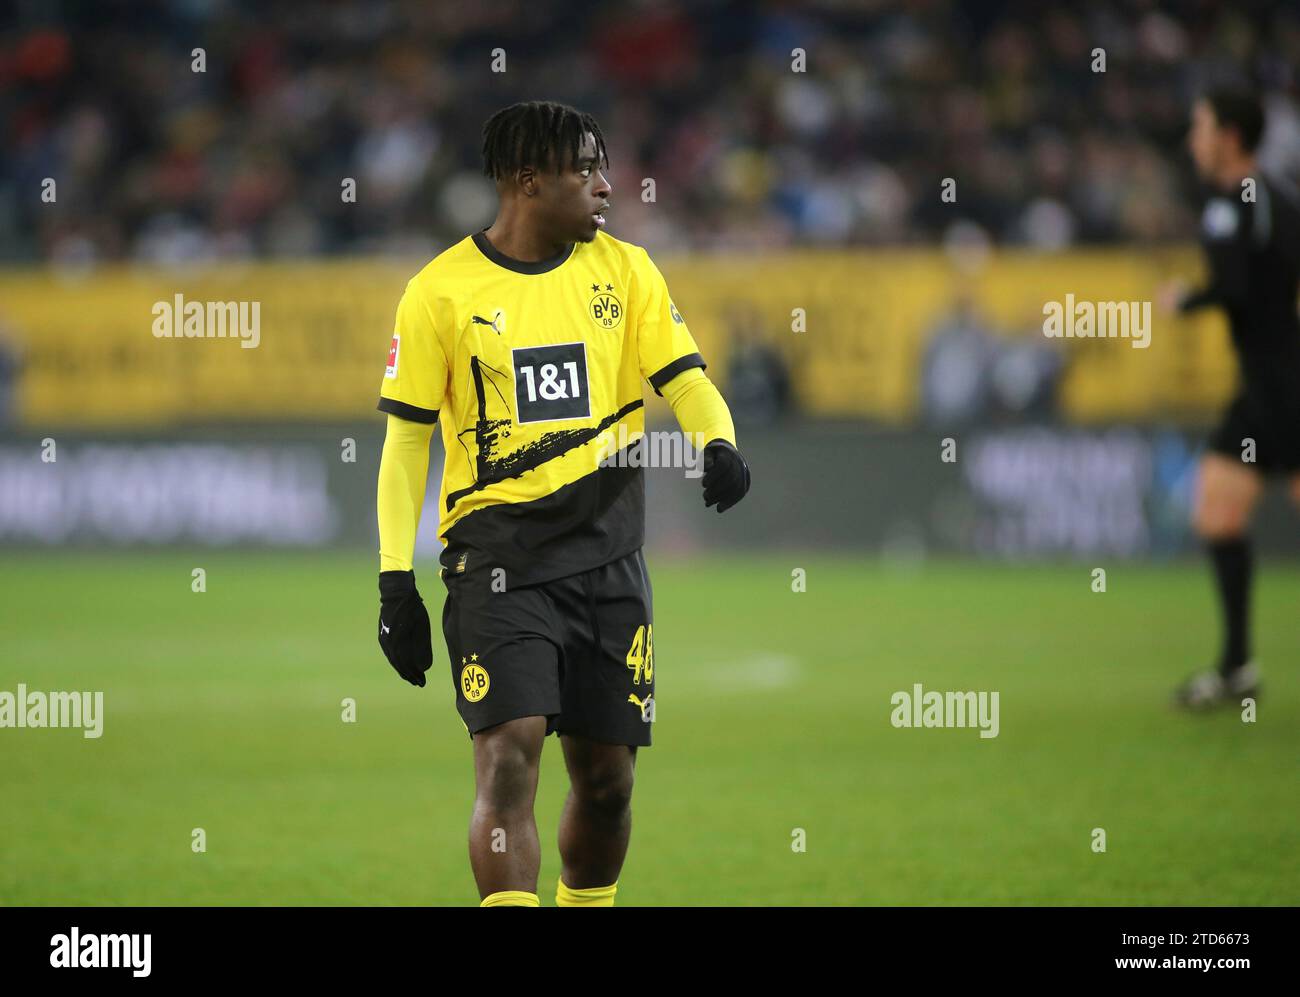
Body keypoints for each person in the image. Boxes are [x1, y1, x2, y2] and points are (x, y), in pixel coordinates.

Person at [373, 101, 751, 905]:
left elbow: (684, 378)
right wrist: (394, 580)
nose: (607, 186)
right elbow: (407, 442)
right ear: (527, 179)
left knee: (608, 779)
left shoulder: (627, 271)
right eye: (586, 170)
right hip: (497, 560)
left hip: (610, 557)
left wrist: (717, 439)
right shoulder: (438, 292)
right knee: (509, 751)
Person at [1159, 87, 1300, 709]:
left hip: (1285, 385)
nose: (1194, 139)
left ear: (1230, 137)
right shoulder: (1281, 198)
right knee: (1217, 510)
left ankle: (1236, 666)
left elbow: (1234, 288)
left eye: (1201, 126)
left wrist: (1183, 301)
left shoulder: (1229, 204)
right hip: (1267, 384)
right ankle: (1237, 668)